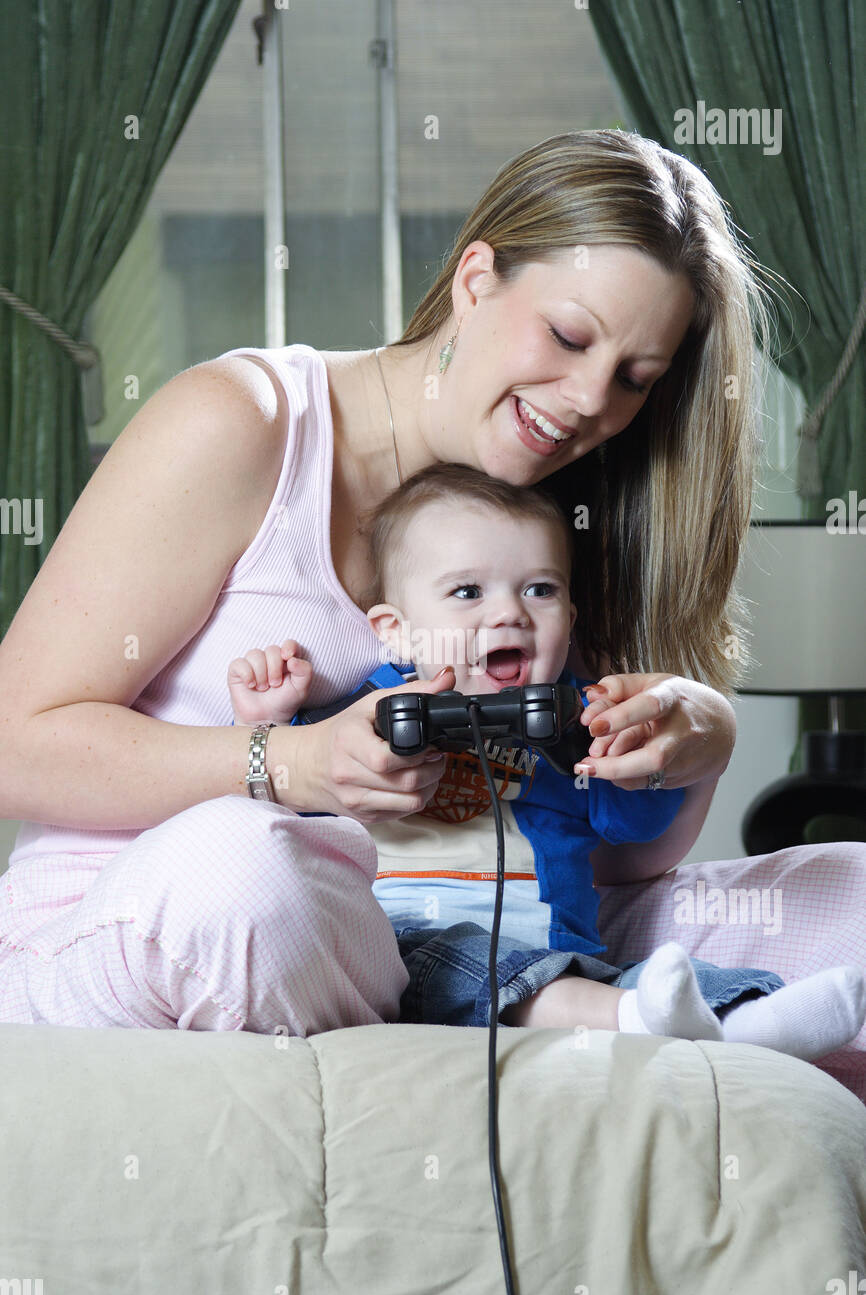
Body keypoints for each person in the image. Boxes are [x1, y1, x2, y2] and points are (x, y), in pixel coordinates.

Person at [0, 129, 863, 1062]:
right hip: (171, 908)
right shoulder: (247, 424)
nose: (585, 401)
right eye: (569, 336)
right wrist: (291, 763)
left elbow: (607, 866)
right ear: (475, 277)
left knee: (851, 899)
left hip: (488, 927)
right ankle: (525, 1015)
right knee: (244, 870)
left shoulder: (569, 507)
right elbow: (16, 739)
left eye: (633, 380)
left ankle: (562, 1014)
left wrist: (692, 747)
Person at [225, 461, 866, 1061]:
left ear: (570, 617)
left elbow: (635, 829)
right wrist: (273, 721)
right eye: (468, 591)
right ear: (396, 629)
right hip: (407, 962)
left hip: (568, 956)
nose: (509, 612)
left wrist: (619, 753)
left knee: (663, 974)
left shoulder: (570, 722)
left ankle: (752, 1019)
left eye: (539, 589)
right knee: (475, 961)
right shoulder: (362, 714)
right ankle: (640, 1020)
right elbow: (290, 819)